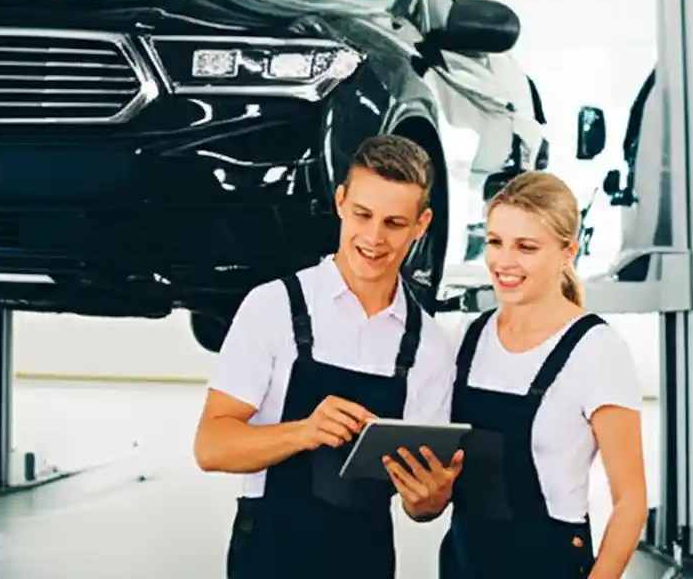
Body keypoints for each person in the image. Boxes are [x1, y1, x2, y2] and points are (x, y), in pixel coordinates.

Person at [193, 134, 463, 579]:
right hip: (270, 555)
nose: (374, 238)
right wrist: (305, 432)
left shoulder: (430, 346)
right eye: (362, 215)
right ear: (340, 201)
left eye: (395, 223)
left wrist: (429, 499)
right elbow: (211, 447)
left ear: (422, 224)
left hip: (366, 560)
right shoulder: (273, 307)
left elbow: (423, 508)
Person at [432, 171, 647, 579]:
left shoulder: (597, 350)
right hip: (465, 560)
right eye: (495, 242)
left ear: (568, 251)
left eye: (526, 247)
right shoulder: (472, 337)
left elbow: (630, 500)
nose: (504, 261)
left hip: (550, 563)